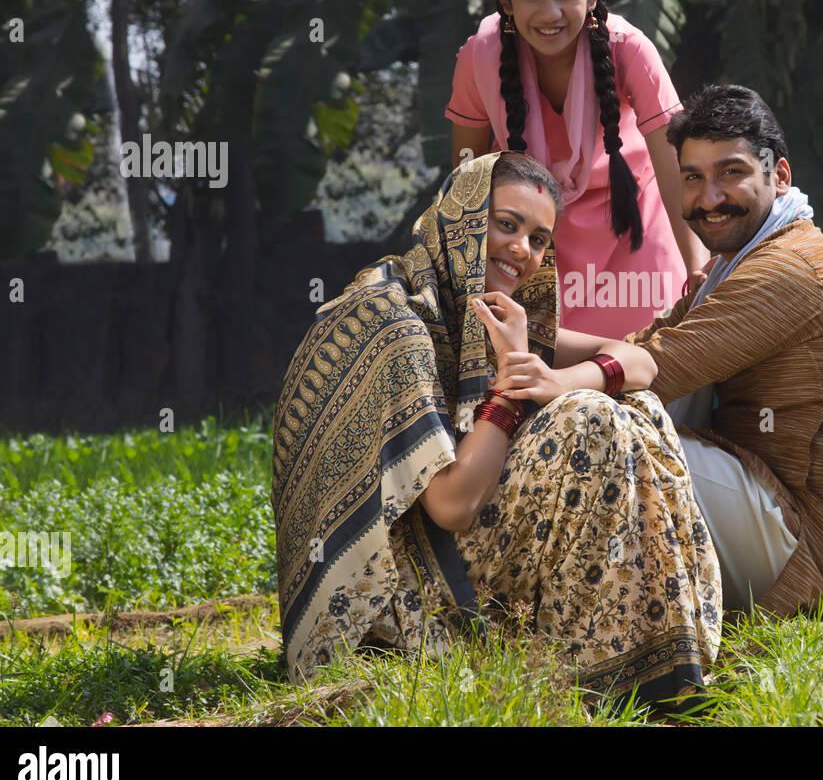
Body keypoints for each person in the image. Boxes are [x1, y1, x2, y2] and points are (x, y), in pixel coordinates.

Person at [271, 151, 721, 709]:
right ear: (461, 219)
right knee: (592, 421)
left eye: (538, 239)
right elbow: (453, 506)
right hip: (393, 596)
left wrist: (556, 378)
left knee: (637, 408)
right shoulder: (397, 323)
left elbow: (637, 360)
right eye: (505, 225)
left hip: (455, 546)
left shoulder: (483, 310)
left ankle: (645, 656)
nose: (522, 251)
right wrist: (513, 386)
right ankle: (594, 670)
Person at [626, 85, 823, 618]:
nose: (709, 198)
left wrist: (544, 385)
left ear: (778, 176)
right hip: (776, 509)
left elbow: (656, 368)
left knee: (614, 436)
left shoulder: (789, 268)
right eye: (693, 177)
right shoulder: (735, 264)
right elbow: (646, 345)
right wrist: (529, 340)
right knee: (600, 415)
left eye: (730, 172)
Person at [446, 0, 711, 340]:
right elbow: (468, 180)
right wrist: (463, 278)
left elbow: (674, 169)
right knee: (538, 392)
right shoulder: (480, 57)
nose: (550, 13)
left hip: (635, 233)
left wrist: (697, 267)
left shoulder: (630, 50)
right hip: (534, 248)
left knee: (649, 376)